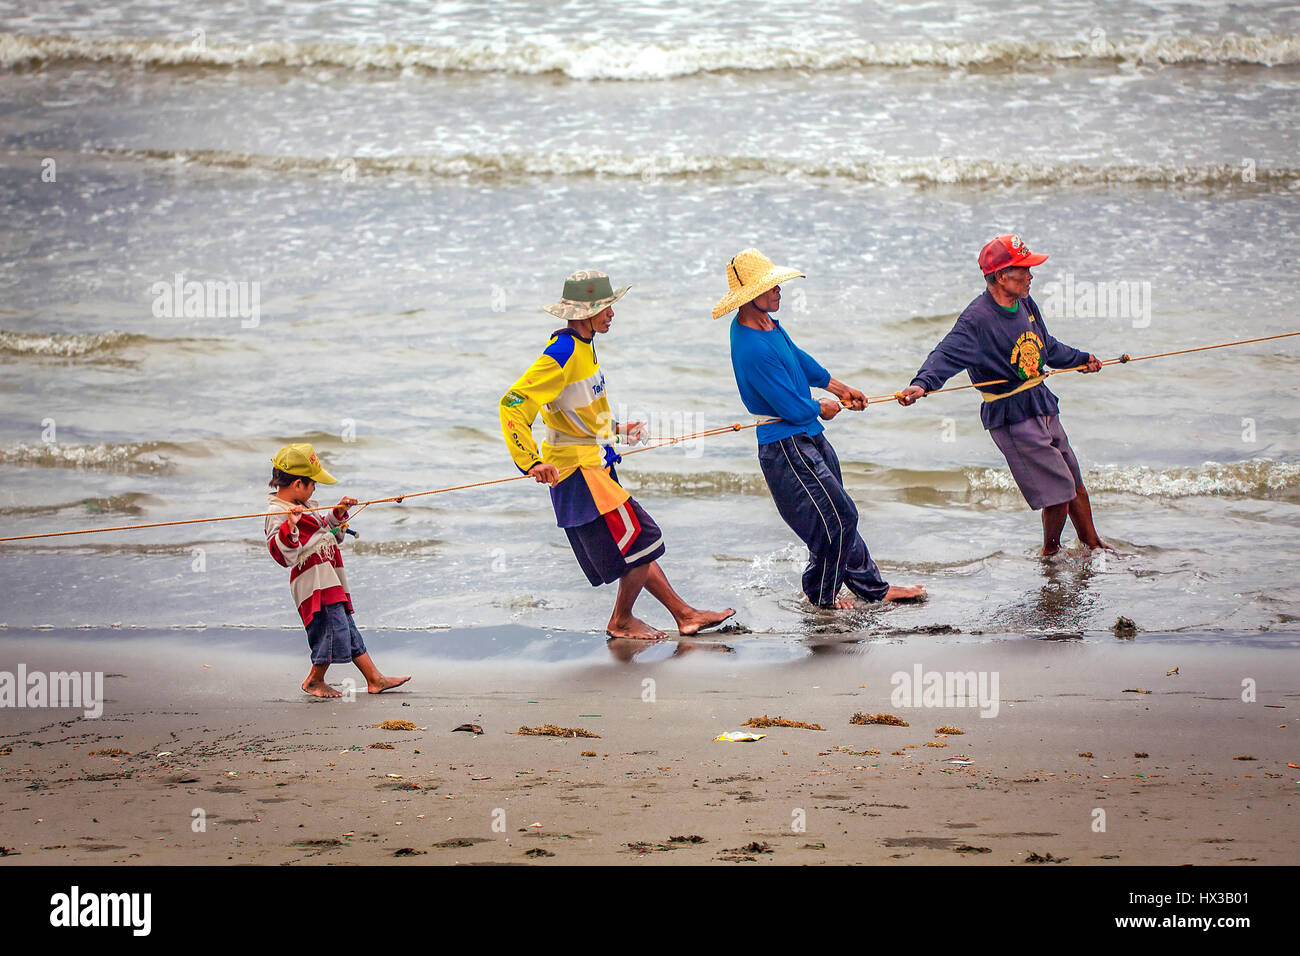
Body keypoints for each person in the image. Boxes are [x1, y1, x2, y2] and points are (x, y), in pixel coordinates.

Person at [500, 270, 735, 640]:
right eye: (605, 307)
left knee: (636, 549)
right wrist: (531, 461)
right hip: (578, 476)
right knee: (643, 540)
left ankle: (685, 615)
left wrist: (616, 429)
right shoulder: (561, 352)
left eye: (611, 306)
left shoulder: (584, 345)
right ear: (583, 312)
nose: (612, 313)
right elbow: (513, 403)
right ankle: (622, 620)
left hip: (596, 467)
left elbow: (576, 411)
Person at [714, 248, 925, 608]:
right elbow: (791, 407)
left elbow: (798, 359)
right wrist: (822, 407)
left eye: (778, 283)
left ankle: (871, 589)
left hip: (808, 436)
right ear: (749, 296)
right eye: (771, 286)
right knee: (838, 518)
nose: (779, 289)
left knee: (838, 514)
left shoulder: (768, 324)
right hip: (785, 445)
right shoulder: (749, 345)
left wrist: (839, 388)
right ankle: (821, 597)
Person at [898, 234, 1107, 556]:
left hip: (1041, 402)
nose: (1031, 276)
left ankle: (1093, 545)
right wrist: (922, 384)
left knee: (1074, 482)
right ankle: (1050, 553)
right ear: (1000, 276)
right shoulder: (976, 319)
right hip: (1011, 416)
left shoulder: (1024, 303)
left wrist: (1081, 359)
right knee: (1058, 492)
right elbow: (945, 355)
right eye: (1023, 270)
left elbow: (1045, 346)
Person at [265, 443, 411, 698]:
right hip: (313, 583)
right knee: (332, 629)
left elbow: (324, 532)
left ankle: (374, 679)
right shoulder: (278, 512)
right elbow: (283, 554)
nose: (314, 489)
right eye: (313, 484)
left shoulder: (305, 505)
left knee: (346, 626)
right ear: (298, 483)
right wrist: (290, 525)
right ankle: (314, 679)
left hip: (329, 579)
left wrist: (339, 512)